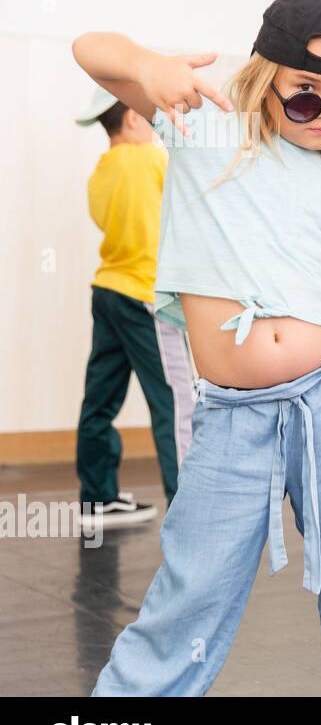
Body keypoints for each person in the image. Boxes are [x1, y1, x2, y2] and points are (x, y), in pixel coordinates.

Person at [74, 0, 321, 695]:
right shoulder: (208, 133)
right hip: (236, 416)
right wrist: (147, 65)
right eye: (305, 94)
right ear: (268, 80)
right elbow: (88, 51)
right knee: (189, 595)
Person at [74, 86, 194, 527]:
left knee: (100, 399)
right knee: (175, 401)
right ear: (130, 119)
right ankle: (187, 512)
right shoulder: (151, 159)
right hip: (147, 296)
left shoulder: (99, 174)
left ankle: (97, 498)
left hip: (107, 291)